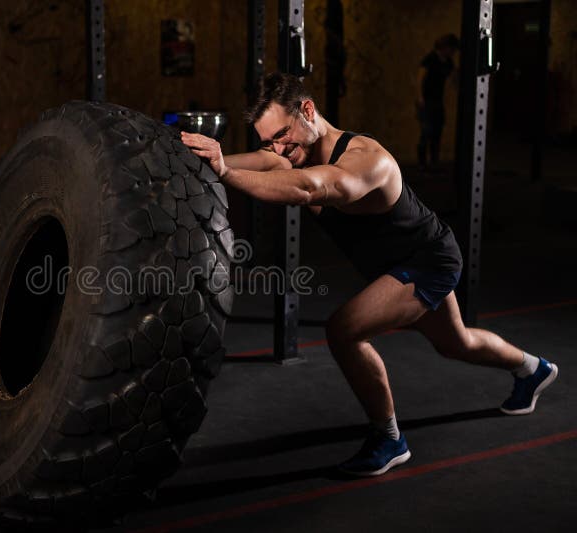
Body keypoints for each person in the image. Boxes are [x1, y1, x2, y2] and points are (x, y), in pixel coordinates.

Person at [180, 72, 559, 477]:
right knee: (456, 342)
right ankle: (533, 369)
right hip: (399, 267)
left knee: (344, 329)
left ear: (308, 111)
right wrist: (186, 160)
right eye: (268, 140)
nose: (277, 148)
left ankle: (389, 438)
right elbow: (247, 163)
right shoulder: (292, 151)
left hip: (428, 261)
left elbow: (311, 189)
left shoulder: (366, 157)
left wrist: (225, 172)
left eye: (282, 135)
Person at [416, 34, 459, 170]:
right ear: (445, 47)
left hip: (438, 101)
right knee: (426, 132)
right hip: (426, 101)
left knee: (437, 132)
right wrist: (420, 97)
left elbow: (453, 79)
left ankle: (434, 162)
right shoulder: (430, 59)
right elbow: (420, 79)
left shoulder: (448, 62)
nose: (453, 52)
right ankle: (422, 164)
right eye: (452, 49)